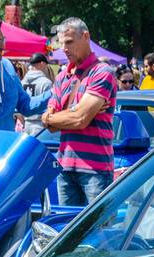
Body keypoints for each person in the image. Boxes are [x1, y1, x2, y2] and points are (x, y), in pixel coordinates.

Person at [42, 17, 117, 206]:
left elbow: (80, 120)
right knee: (68, 231)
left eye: (69, 41)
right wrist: (73, 113)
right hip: (65, 167)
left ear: (85, 37)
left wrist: (59, 117)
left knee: (98, 234)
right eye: (61, 43)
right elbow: (47, 123)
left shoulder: (102, 72)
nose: (64, 48)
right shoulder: (62, 76)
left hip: (96, 169)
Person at [22, 53, 55, 135]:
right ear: (42, 64)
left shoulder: (22, 82)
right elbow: (50, 106)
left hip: (26, 124)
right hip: (40, 125)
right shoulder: (46, 83)